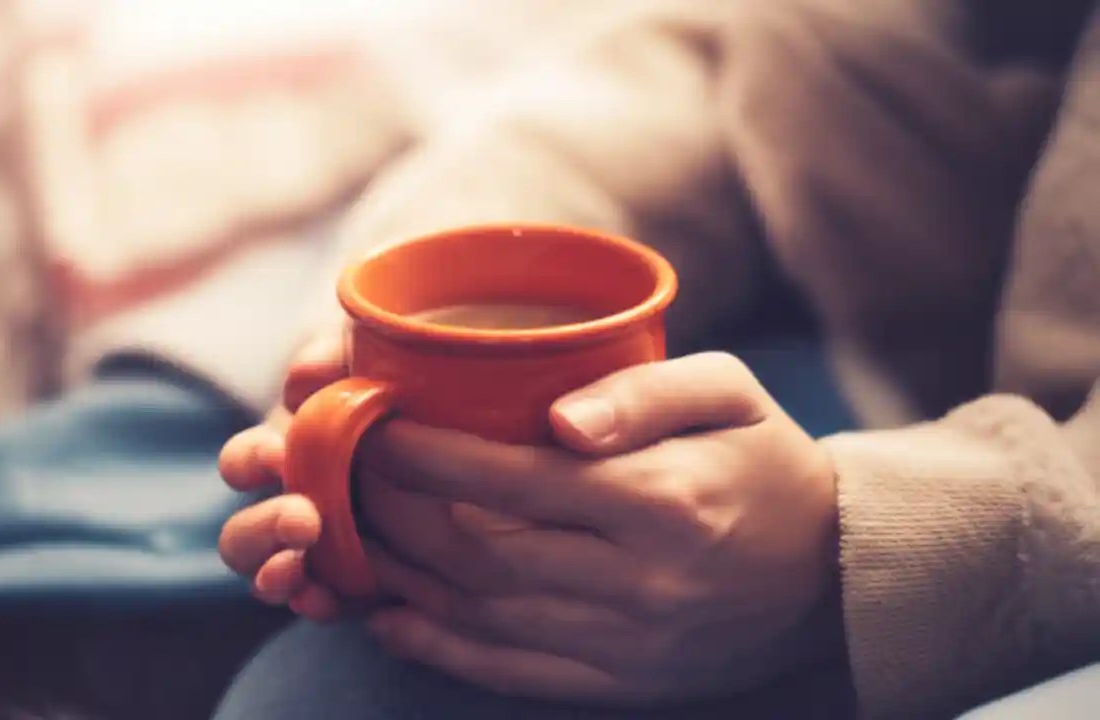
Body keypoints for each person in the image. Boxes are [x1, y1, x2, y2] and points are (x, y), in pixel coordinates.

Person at [215, 1, 1100, 719]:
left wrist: (858, 554)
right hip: (847, 355)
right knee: (157, 435)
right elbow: (719, 67)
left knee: (312, 694)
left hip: (1034, 536)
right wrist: (378, 334)